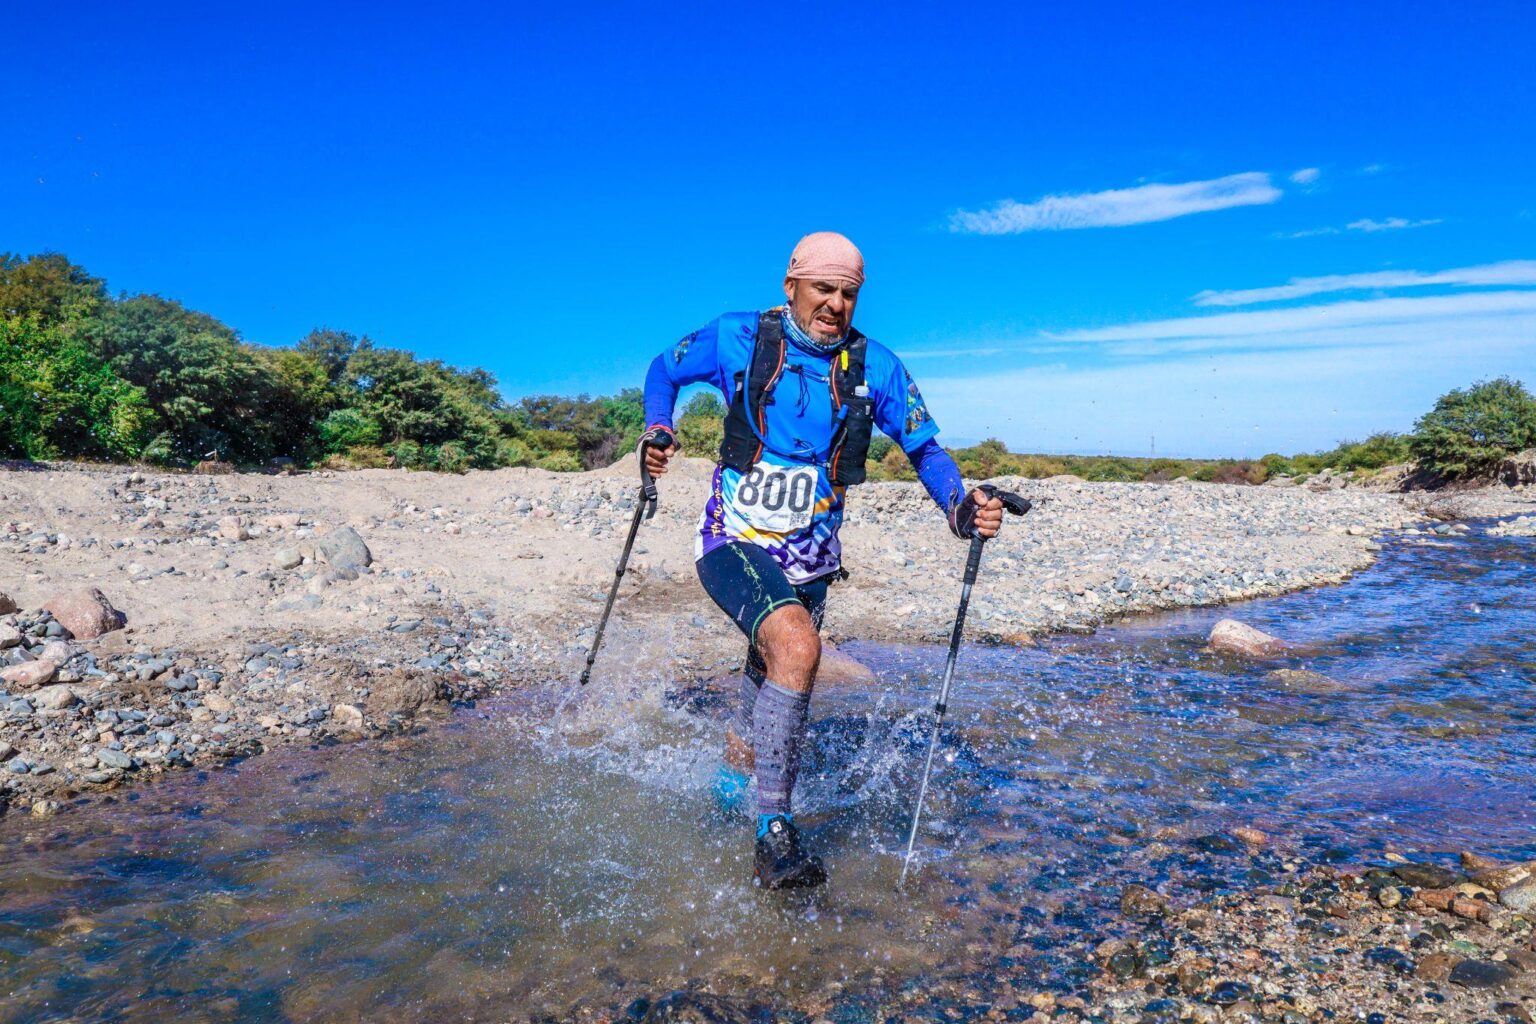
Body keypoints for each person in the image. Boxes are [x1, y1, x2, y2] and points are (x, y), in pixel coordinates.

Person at [641, 232, 1006, 889]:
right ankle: (773, 833)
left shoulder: (878, 368)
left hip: (812, 561)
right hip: (734, 540)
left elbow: (926, 451)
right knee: (797, 647)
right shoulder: (738, 339)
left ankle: (729, 791)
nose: (836, 304)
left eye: (849, 293)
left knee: (770, 666)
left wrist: (961, 506)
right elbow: (662, 370)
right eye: (823, 289)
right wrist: (658, 427)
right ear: (791, 288)